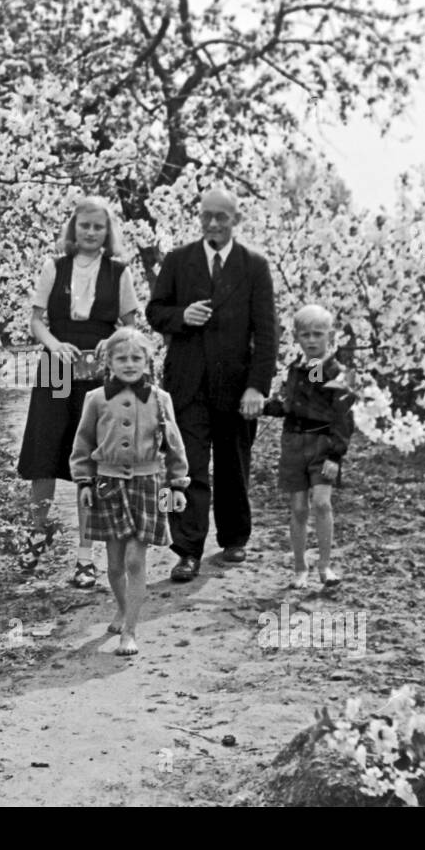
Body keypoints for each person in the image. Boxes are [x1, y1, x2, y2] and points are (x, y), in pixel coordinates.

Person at [145, 186, 277, 582]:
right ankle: (187, 550)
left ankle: (235, 537)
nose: (214, 223)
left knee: (234, 465)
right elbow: (154, 312)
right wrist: (182, 315)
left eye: (222, 217)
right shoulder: (178, 260)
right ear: (199, 218)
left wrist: (258, 387)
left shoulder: (254, 266)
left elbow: (267, 333)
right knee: (189, 468)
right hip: (188, 384)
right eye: (208, 216)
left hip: (237, 388)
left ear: (236, 220)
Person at [17, 195, 140, 587]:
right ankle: (36, 535)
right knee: (45, 450)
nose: (90, 233)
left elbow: (131, 326)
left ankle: (85, 557)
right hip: (57, 363)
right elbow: (36, 321)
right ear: (73, 228)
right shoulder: (54, 266)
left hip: (98, 369)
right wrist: (54, 345)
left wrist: (114, 342)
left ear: (108, 232)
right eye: (84, 225)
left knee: (90, 458)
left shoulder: (119, 271)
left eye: (98, 227)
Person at [70, 327, 189, 655]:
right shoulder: (94, 399)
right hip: (107, 485)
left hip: (148, 483)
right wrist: (83, 482)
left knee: (137, 559)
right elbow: (83, 445)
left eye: (137, 357)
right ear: (108, 361)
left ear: (148, 362)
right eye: (121, 357)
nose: (129, 363)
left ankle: (131, 631)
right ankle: (121, 608)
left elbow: (175, 446)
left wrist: (177, 486)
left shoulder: (161, 400)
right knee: (115, 563)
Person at [260, 304, 355, 588]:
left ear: (331, 336)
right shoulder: (296, 370)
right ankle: (300, 567)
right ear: (297, 338)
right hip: (293, 444)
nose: (312, 340)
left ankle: (325, 567)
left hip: (323, 445)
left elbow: (344, 418)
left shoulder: (338, 373)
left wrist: (335, 455)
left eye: (318, 334)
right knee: (299, 508)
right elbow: (291, 406)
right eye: (305, 335)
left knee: (322, 504)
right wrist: (262, 407)